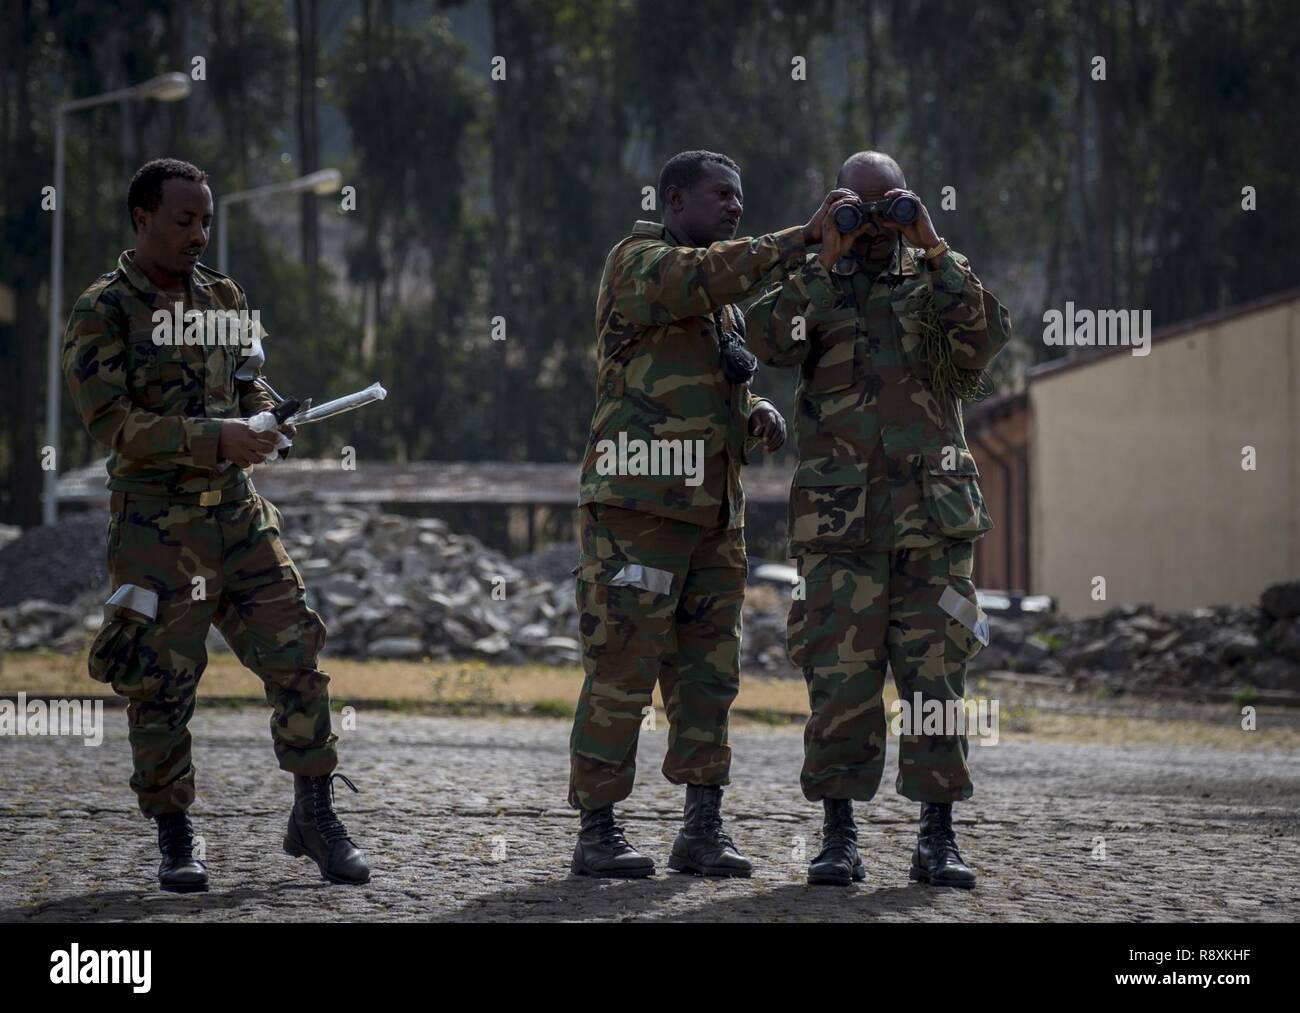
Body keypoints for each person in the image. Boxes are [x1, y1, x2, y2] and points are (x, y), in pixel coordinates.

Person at [63, 158, 369, 892]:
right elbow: (113, 424)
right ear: (142, 218)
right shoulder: (102, 309)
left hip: (237, 515)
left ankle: (315, 812)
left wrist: (266, 419)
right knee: (162, 684)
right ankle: (175, 835)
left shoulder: (224, 295)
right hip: (157, 529)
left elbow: (242, 382)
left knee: (297, 650)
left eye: (205, 220)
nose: (198, 234)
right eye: (183, 220)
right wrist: (215, 437)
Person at [569, 150, 850, 878]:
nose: (734, 206)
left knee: (708, 676)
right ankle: (597, 832)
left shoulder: (719, 300)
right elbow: (704, 276)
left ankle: (702, 829)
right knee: (622, 667)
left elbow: (695, 371)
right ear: (673, 199)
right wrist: (802, 238)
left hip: (712, 519)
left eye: (740, 197)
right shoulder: (639, 262)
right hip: (639, 511)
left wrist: (751, 409)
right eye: (720, 195)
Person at [745, 150, 1012, 889]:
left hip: (934, 525)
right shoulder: (816, 288)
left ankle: (938, 837)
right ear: (834, 207)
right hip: (842, 528)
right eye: (855, 210)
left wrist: (932, 243)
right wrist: (819, 255)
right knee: (840, 683)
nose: (871, 228)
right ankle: (838, 836)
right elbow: (765, 340)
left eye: (883, 207)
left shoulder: (934, 281)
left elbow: (986, 336)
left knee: (938, 686)